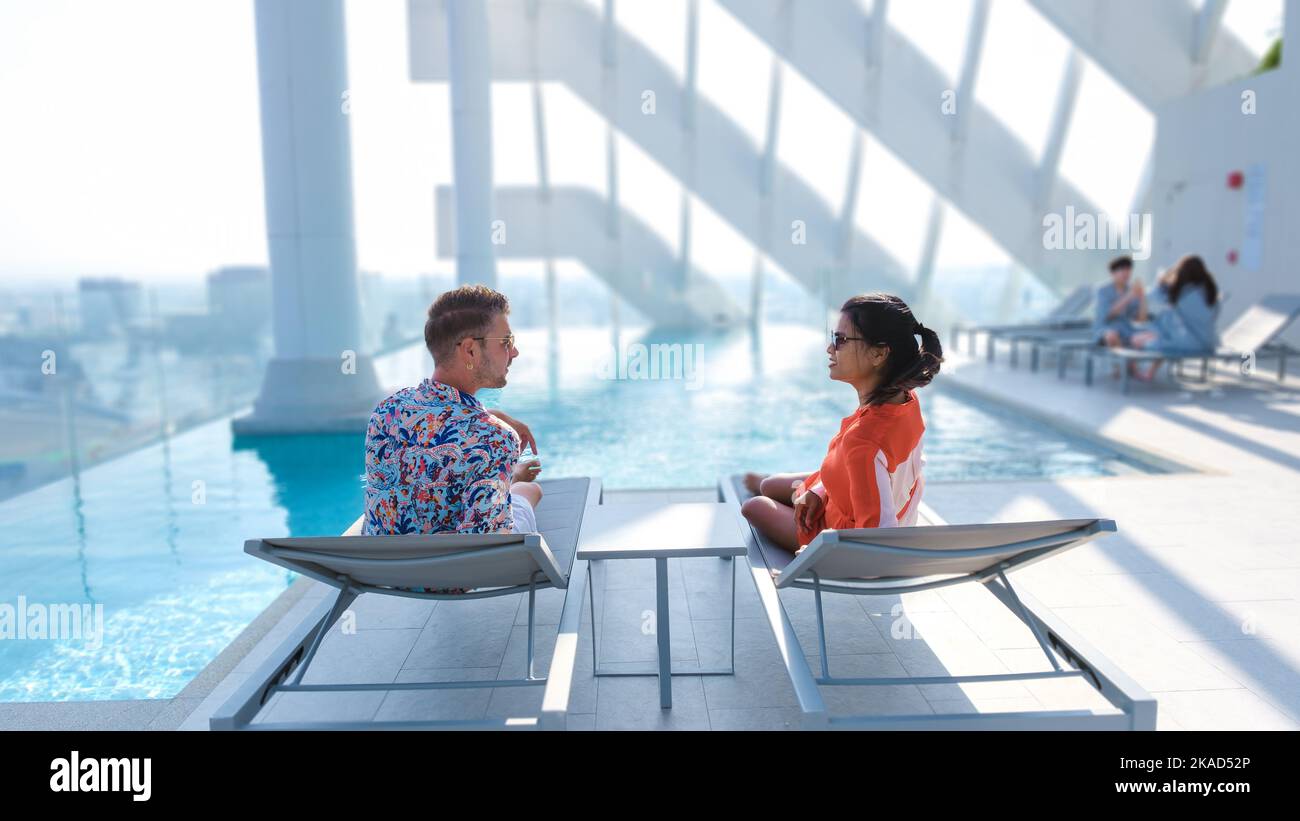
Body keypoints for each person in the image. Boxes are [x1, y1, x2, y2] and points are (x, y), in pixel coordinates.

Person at [741, 293, 942, 553]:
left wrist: (813, 561)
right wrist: (820, 491)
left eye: (841, 340)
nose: (830, 348)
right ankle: (797, 489)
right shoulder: (905, 401)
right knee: (769, 485)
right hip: (881, 502)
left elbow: (878, 540)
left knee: (755, 507)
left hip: (841, 530)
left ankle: (782, 491)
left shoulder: (864, 441)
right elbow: (893, 473)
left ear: (879, 353)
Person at [361, 285, 543, 542]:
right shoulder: (496, 439)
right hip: (449, 577)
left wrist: (492, 415)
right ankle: (515, 483)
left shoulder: (386, 412)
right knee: (530, 490)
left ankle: (509, 481)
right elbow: (486, 550)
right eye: (505, 342)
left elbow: (436, 425)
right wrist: (514, 487)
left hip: (379, 571)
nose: (514, 352)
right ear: (470, 350)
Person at [1129, 255, 1221, 381]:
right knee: (1164, 330)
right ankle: (1149, 373)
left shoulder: (1182, 293)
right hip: (1209, 343)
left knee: (1140, 339)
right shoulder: (1211, 293)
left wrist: (1166, 275)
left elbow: (1152, 295)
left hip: (1191, 344)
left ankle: (1139, 372)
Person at [1094, 255, 1148, 349]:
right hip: (1106, 329)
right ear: (1113, 273)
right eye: (1122, 270)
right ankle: (1120, 363)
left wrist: (1143, 298)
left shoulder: (1131, 290)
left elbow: (1140, 319)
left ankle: (1133, 363)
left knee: (1152, 336)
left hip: (1127, 330)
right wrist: (1129, 296)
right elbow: (1107, 314)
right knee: (1112, 336)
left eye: (1128, 270)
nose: (1126, 273)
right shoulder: (1102, 290)